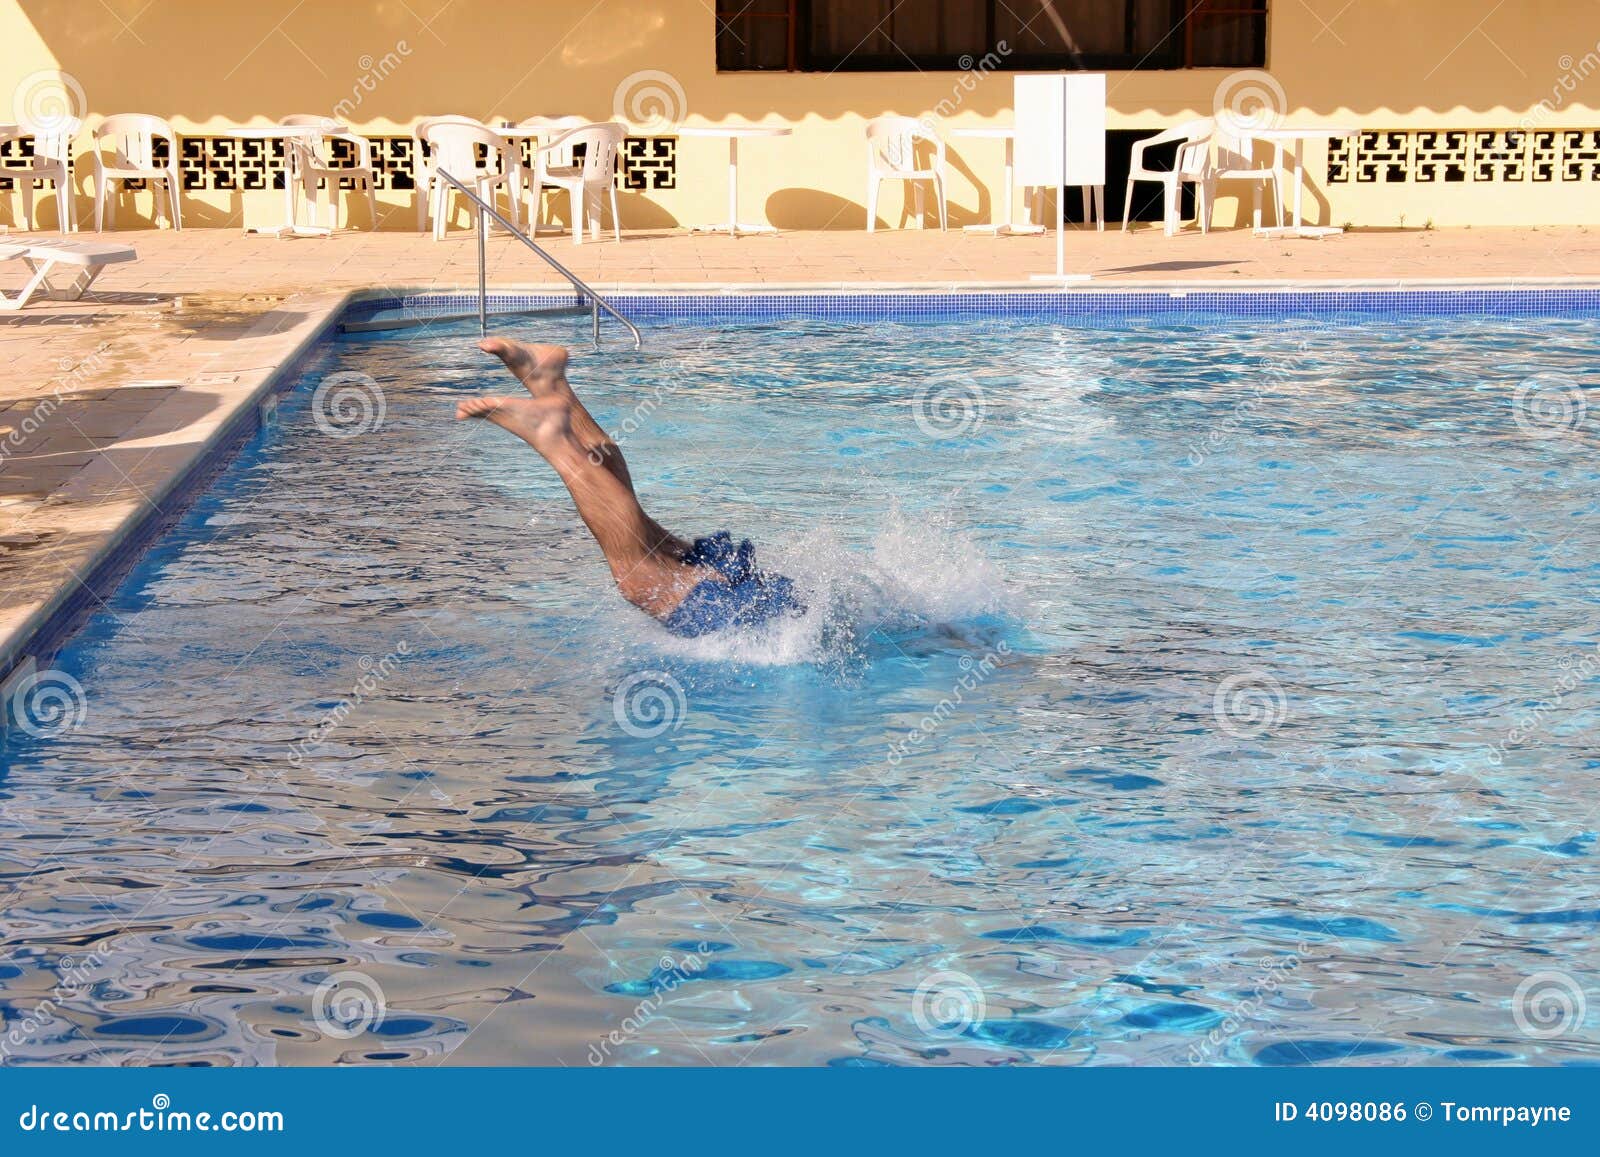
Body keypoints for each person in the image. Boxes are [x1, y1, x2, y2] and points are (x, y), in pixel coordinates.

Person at [457, 337, 800, 637]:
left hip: (770, 601)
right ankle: (553, 436)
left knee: (653, 546)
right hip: (761, 616)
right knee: (640, 577)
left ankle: (548, 383)